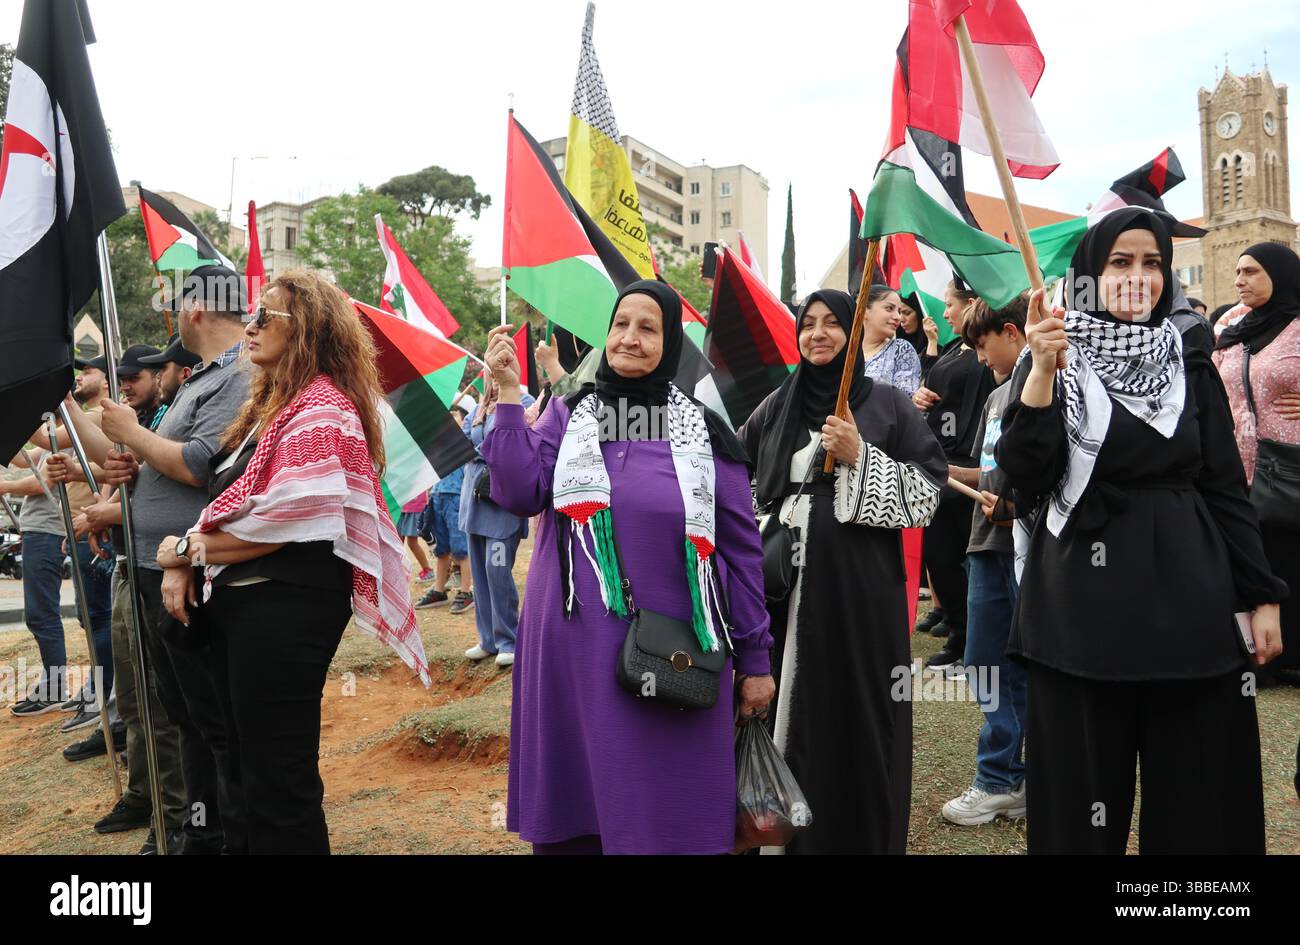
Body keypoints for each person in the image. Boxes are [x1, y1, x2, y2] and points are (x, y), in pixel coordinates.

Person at [995, 207, 1286, 854]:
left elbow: (1222, 487)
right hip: (1079, 616)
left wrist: (1260, 593)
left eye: (1151, 263)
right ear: (1093, 274)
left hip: (1190, 612)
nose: (1137, 277)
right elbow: (1025, 477)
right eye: (1120, 263)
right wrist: (1041, 372)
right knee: (1080, 805)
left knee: (1195, 801)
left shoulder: (1190, 360)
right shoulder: (1055, 355)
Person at [480, 280, 773, 854]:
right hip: (569, 655)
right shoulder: (567, 414)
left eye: (647, 328)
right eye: (620, 325)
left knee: (665, 814)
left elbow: (741, 555)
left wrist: (756, 660)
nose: (630, 338)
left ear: (670, 343)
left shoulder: (706, 434)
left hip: (672, 658)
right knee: (579, 811)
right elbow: (517, 490)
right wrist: (511, 394)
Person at [153, 270, 425, 855]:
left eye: (264, 317)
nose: (248, 327)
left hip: (282, 613)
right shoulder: (276, 407)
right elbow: (235, 509)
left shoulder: (323, 408)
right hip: (244, 607)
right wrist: (188, 556)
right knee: (242, 772)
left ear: (304, 329)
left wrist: (184, 550)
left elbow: (289, 518)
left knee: (278, 782)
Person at [741, 288, 946, 854]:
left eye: (833, 323)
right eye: (808, 324)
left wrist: (861, 456)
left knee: (860, 721)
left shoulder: (887, 405)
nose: (819, 335)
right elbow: (737, 484)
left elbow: (928, 494)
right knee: (789, 715)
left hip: (862, 601)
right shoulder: (775, 407)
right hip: (785, 603)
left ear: (853, 334)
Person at [66, 265, 252, 855]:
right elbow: (143, 458)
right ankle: (198, 828)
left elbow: (200, 465)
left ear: (196, 308)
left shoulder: (239, 376)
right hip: (153, 568)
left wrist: (136, 439)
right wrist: (125, 457)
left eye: (176, 303)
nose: (172, 313)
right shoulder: (201, 380)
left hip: (190, 571)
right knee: (181, 713)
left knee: (209, 719)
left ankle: (219, 832)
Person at [941, 295, 1030, 825]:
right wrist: (937, 468)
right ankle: (1008, 778)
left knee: (1022, 665)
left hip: (1027, 546)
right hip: (984, 543)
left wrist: (1018, 506)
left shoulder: (1048, 383)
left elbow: (1056, 468)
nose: (978, 357)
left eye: (982, 343)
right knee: (983, 663)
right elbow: (988, 471)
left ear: (1013, 332)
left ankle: (1003, 778)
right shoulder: (996, 395)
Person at [1212, 242, 1300, 678]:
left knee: (1288, 549)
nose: (1238, 281)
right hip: (1235, 463)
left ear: (1279, 275)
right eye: (1237, 271)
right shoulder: (1230, 323)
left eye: (1250, 272)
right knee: (1249, 551)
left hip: (1289, 464)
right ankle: (1256, 655)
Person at [912, 281, 995, 667]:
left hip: (972, 465)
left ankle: (976, 643)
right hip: (941, 464)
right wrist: (920, 395)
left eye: (950, 305)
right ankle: (961, 633)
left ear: (973, 304)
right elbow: (931, 390)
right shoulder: (950, 350)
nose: (944, 313)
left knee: (968, 558)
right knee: (940, 556)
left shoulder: (987, 355)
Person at [459, 376, 533, 667]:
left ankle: (508, 639)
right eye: (490, 368)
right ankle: (487, 639)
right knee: (479, 571)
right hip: (474, 502)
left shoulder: (521, 403)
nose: (493, 376)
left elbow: (515, 443)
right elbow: (464, 444)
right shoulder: (479, 409)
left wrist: (486, 452)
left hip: (502, 504)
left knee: (496, 567)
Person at [417, 405, 474, 611]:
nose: (448, 420)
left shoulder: (465, 442)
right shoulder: (437, 442)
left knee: (460, 548)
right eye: (446, 416)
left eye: (454, 416)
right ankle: (439, 590)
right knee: (441, 549)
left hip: (457, 498)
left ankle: (466, 591)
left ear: (464, 421)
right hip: (438, 496)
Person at [860, 284, 923, 394]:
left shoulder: (900, 349)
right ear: (865, 310)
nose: (898, 317)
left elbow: (905, 400)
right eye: (889, 308)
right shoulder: (846, 355)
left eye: (898, 311)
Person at [397, 491, 435, 583]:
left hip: (413, 506)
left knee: (411, 542)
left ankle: (427, 570)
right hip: (401, 504)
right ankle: (396, 571)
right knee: (397, 541)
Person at [897, 292, 929, 357]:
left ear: (920, 313)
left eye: (907, 313)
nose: (901, 319)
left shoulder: (935, 344)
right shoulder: (895, 343)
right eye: (899, 313)